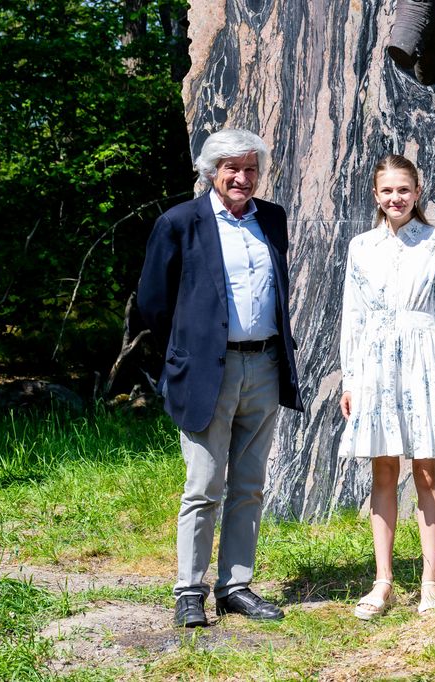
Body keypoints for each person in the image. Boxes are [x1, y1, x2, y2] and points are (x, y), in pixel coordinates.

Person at [137, 129, 303, 628]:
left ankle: (235, 586)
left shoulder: (272, 218)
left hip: (265, 366)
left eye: (251, 169)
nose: (242, 178)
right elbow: (153, 303)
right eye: (232, 169)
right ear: (212, 172)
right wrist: (187, 355)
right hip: (208, 372)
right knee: (204, 485)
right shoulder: (180, 222)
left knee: (249, 485)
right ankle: (190, 590)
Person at [338, 154, 435, 620]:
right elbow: (351, 316)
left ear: (417, 193)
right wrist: (349, 378)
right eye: (387, 191)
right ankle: (384, 580)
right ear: (376, 195)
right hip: (374, 362)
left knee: (427, 469)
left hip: (423, 359)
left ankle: (430, 582)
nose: (396, 198)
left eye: (404, 190)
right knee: (384, 469)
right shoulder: (361, 247)